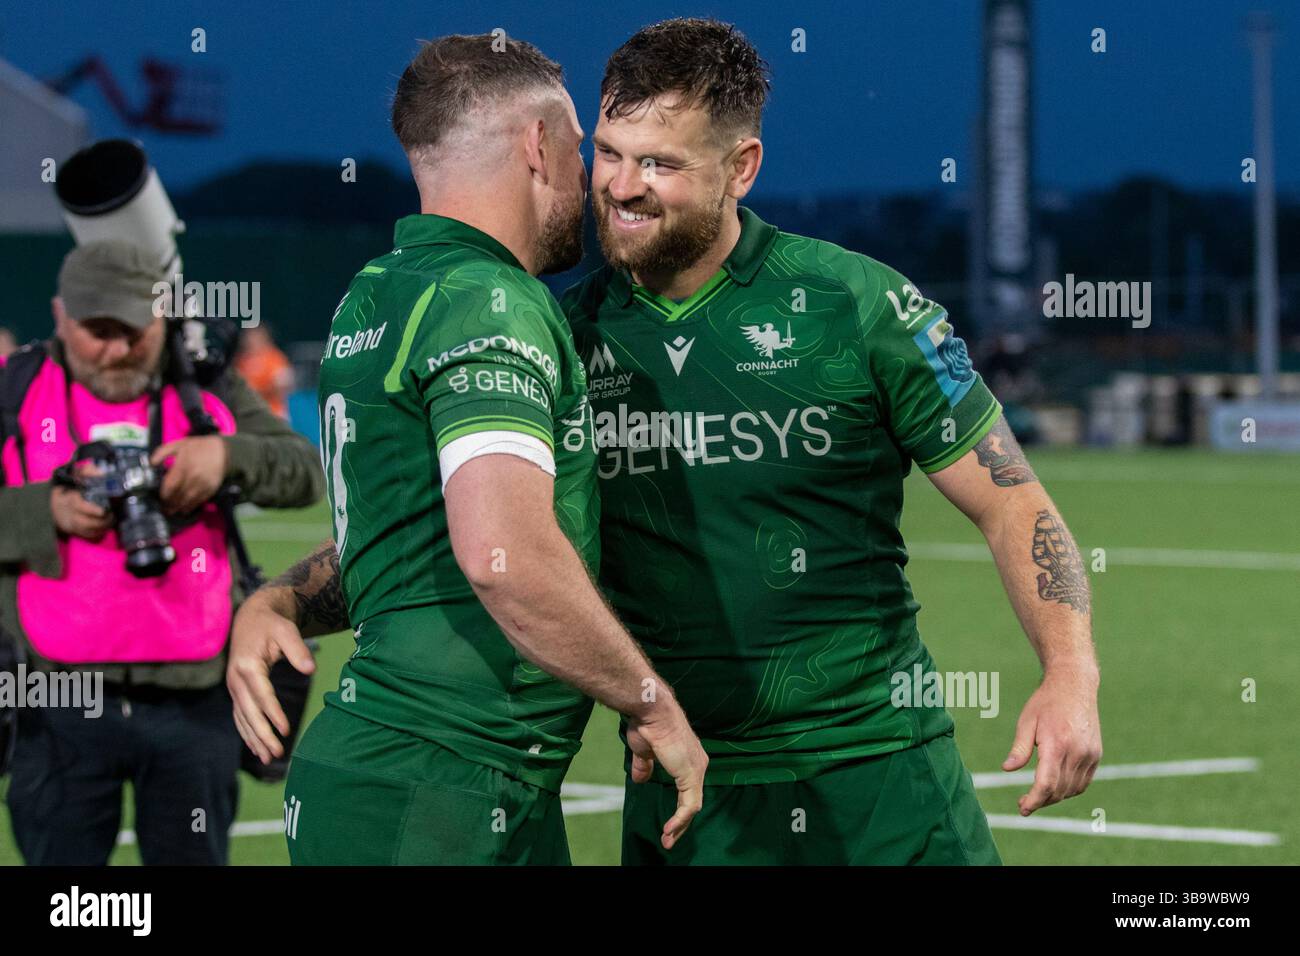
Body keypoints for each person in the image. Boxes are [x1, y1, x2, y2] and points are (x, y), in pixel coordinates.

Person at [234, 19, 1102, 866]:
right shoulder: (553, 334)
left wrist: (1070, 674)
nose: (621, 184)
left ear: (742, 168)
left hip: (880, 774)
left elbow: (1010, 498)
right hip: (686, 791)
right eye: (607, 151)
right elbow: (452, 535)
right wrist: (281, 600)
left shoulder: (858, 304)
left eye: (661, 163)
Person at [228, 34, 706, 866]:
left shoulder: (379, 291)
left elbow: (410, 541)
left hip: (411, 778)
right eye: (582, 148)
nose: (592, 176)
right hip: (439, 785)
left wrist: (280, 598)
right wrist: (650, 701)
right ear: (537, 145)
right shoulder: (487, 298)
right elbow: (500, 555)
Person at [0, 239, 323, 865]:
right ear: (60, 314)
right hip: (54, 698)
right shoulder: (16, 389)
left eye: (135, 330)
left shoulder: (204, 384)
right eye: (98, 330)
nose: (117, 349)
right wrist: (49, 510)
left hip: (195, 697)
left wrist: (228, 456)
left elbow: (304, 470)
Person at [235, 324, 295, 419]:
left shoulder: (275, 358)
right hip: (248, 414)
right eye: (248, 337)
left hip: (272, 413)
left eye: (255, 337)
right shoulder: (241, 360)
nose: (250, 341)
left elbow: (283, 387)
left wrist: (258, 391)